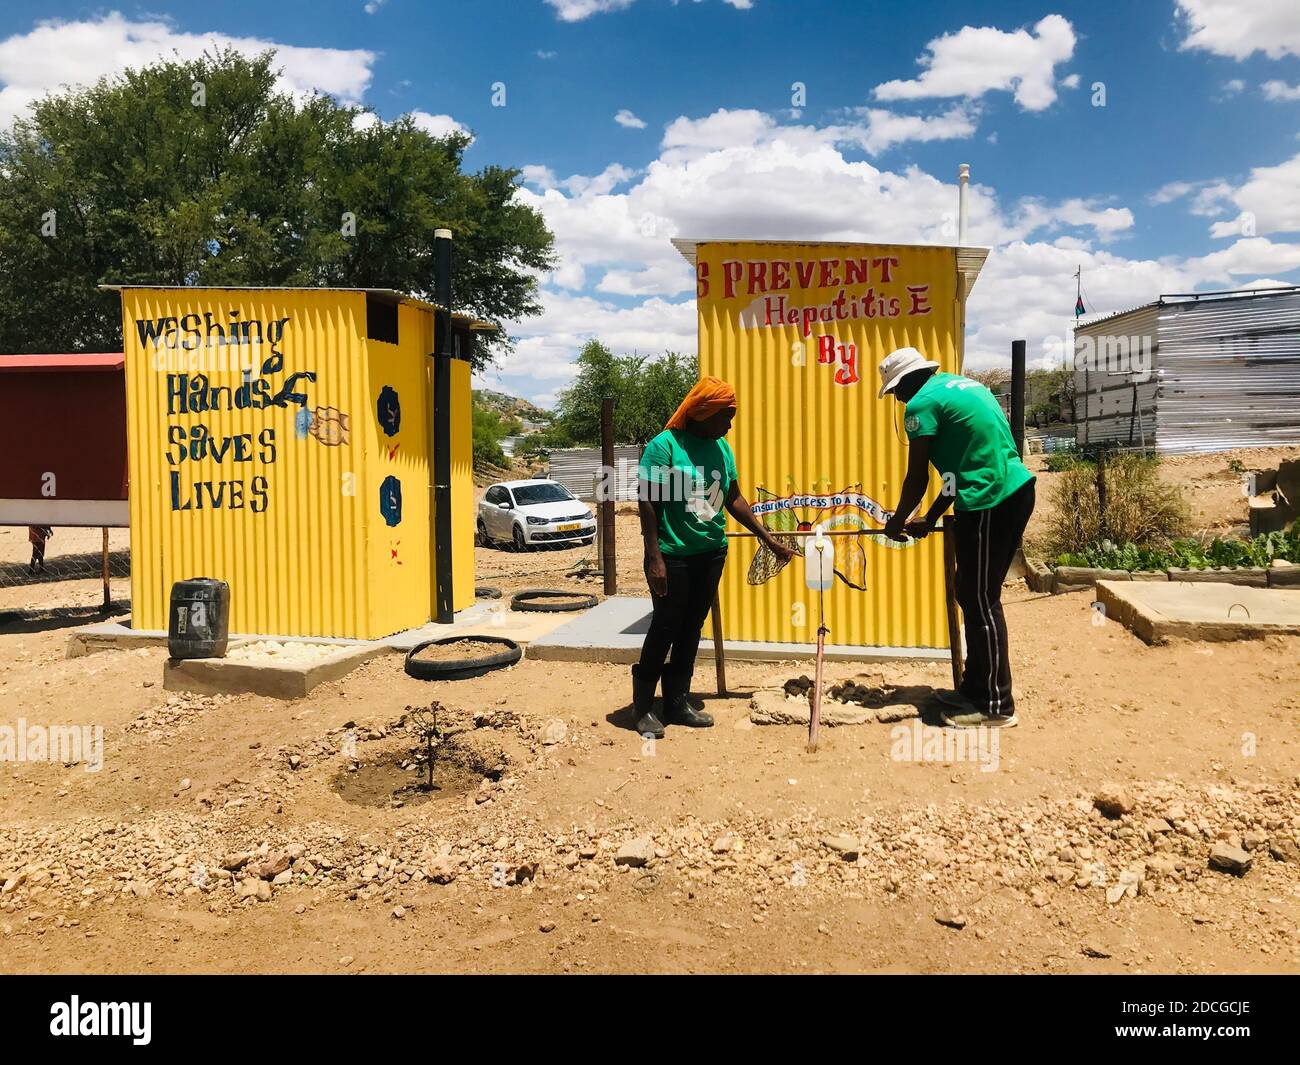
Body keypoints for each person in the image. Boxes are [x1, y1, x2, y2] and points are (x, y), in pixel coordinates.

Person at [878, 347, 1035, 729]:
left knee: (981, 600)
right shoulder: (963, 386)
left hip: (988, 501)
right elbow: (958, 469)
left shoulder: (920, 405)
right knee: (970, 593)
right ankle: (973, 689)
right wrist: (929, 517)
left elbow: (919, 478)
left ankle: (997, 704)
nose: (898, 398)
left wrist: (897, 521)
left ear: (907, 382)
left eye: (896, 390)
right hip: (1008, 491)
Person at [633, 376, 795, 738]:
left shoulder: (722, 448)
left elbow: (733, 498)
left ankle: (676, 702)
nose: (730, 424)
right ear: (704, 412)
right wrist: (653, 557)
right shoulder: (665, 447)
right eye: (727, 415)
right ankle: (643, 707)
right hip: (673, 555)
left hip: (711, 552)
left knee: (691, 628)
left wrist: (768, 539)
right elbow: (647, 501)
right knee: (665, 627)